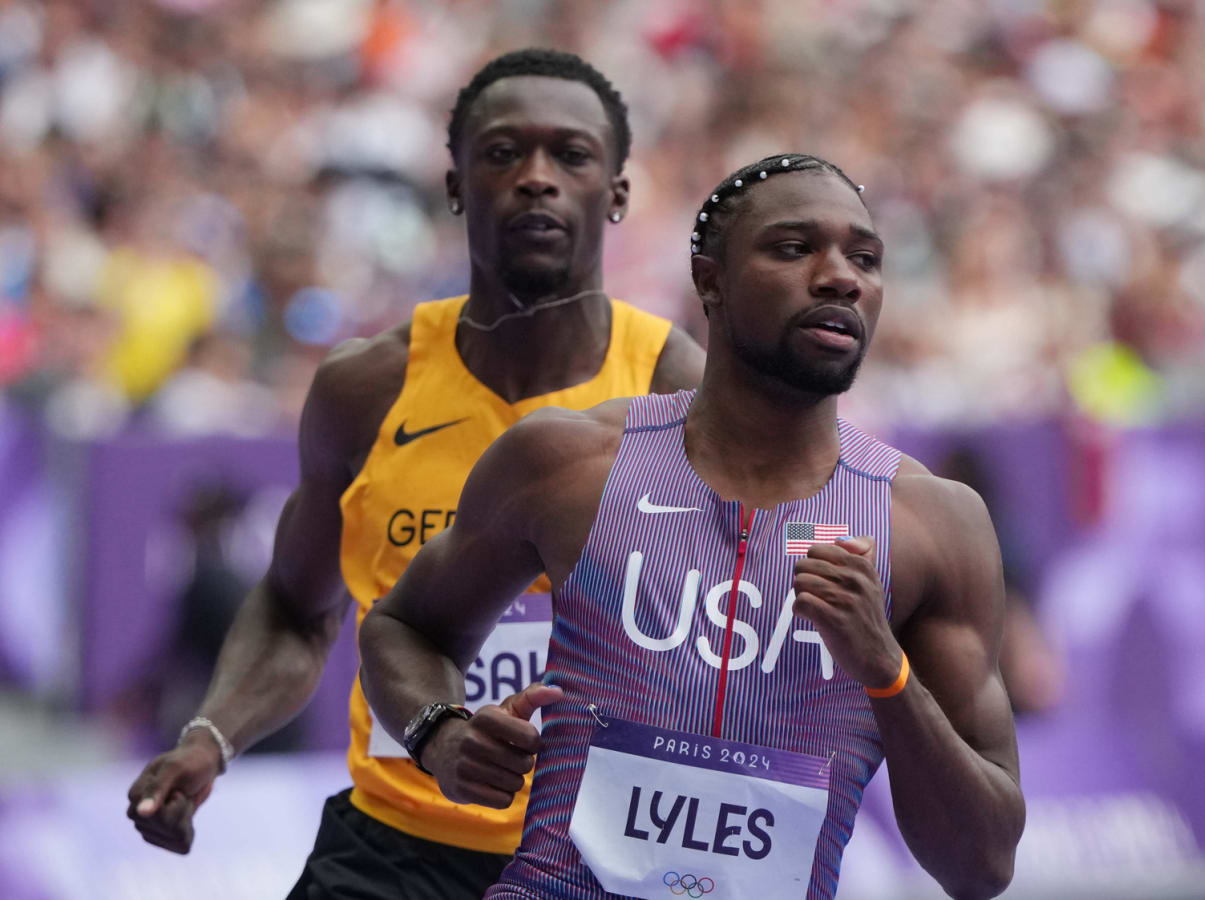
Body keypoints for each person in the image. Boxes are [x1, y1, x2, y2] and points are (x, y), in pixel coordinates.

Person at [361, 154, 1024, 900]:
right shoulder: (566, 463)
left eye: (865, 258)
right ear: (709, 280)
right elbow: (403, 628)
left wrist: (885, 672)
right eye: (794, 247)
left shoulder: (933, 524)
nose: (841, 277)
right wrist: (438, 734)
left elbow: (983, 865)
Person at [125, 48, 705, 900]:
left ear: (616, 192)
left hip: (599, 863)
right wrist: (212, 735)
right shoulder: (367, 388)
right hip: (395, 852)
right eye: (503, 153)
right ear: (456, 187)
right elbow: (296, 608)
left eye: (571, 155)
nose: (536, 178)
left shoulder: (677, 392)